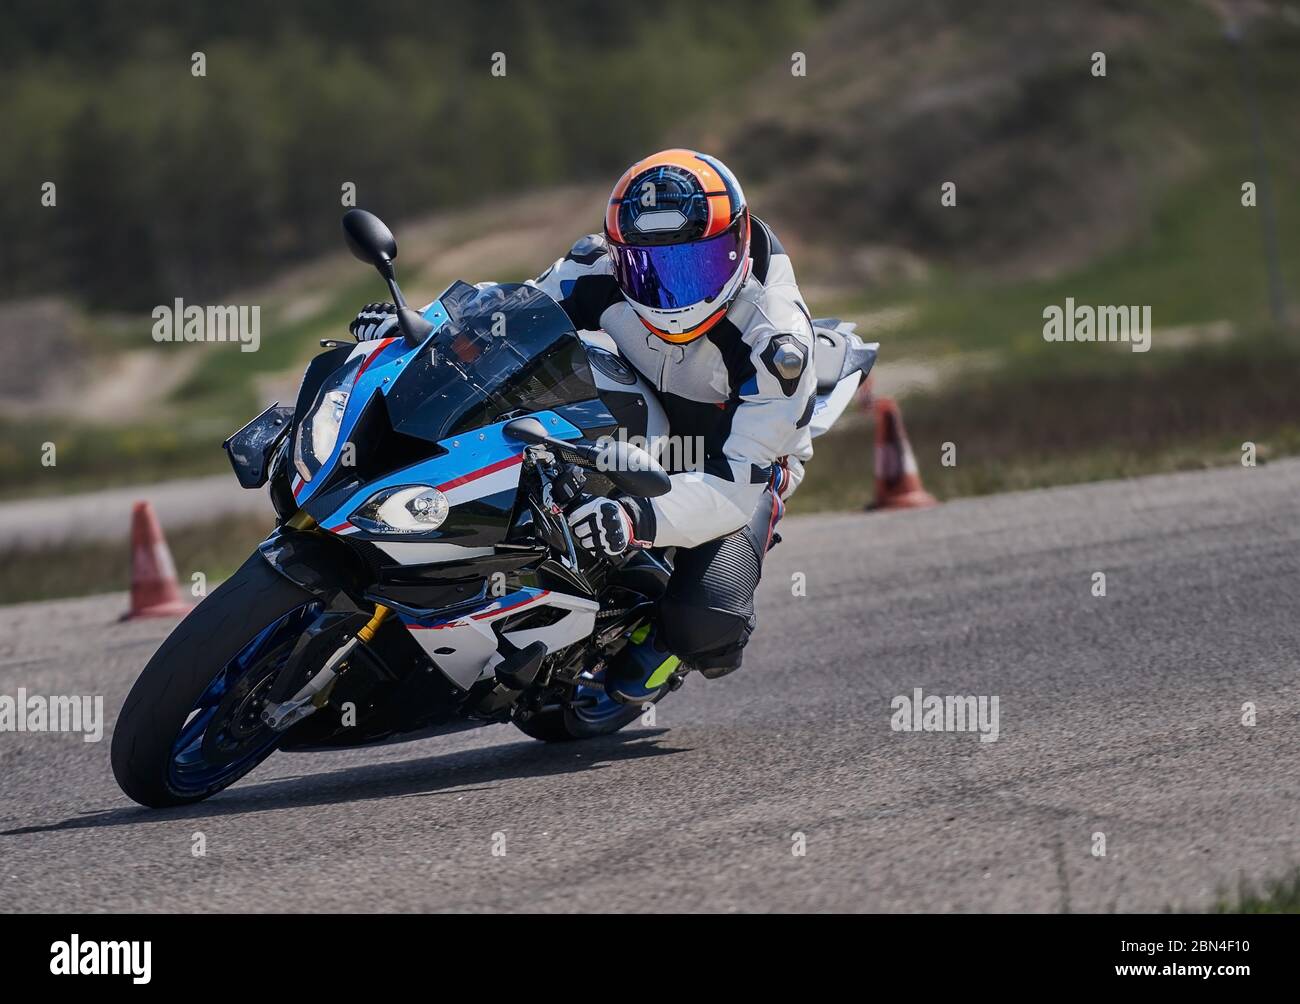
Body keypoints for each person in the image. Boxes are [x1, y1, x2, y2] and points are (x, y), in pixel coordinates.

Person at [349, 149, 816, 703]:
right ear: (621, 256)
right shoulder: (598, 268)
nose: (672, 291)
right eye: (649, 269)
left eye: (692, 268)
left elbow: (736, 485)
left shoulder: (776, 344)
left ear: (735, 243)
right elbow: (504, 314)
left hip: (732, 462)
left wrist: (636, 516)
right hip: (634, 407)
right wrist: (422, 326)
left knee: (706, 623)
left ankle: (659, 653)